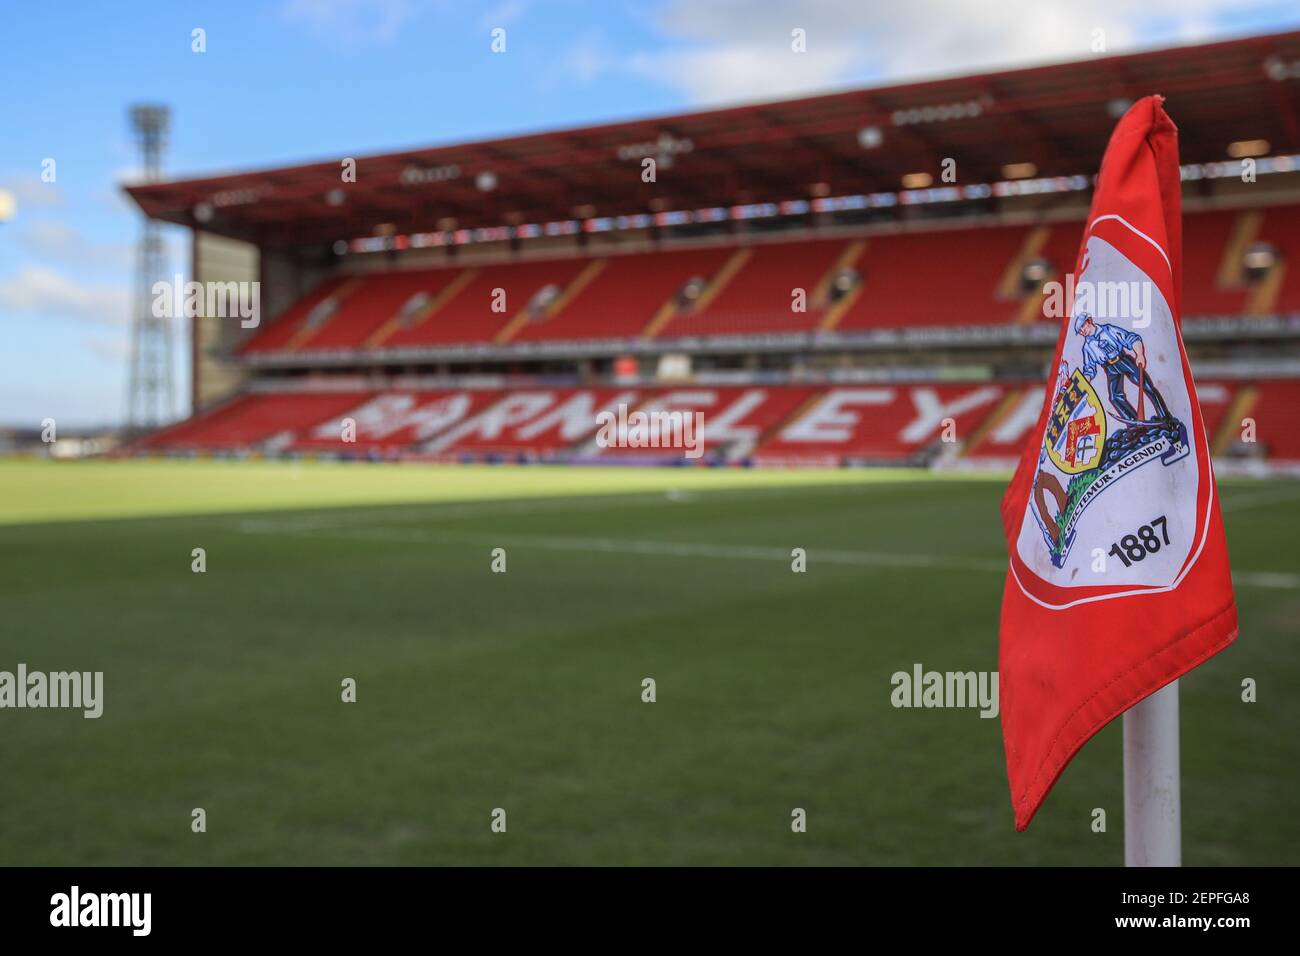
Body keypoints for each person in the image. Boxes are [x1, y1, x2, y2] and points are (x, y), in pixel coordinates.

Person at [1074, 312, 1170, 422]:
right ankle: (1135, 424)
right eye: (1079, 331)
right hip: (1109, 368)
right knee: (1114, 397)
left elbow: (1130, 338)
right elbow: (1089, 368)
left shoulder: (1108, 330)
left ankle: (1165, 417)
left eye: (1082, 326)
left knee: (1146, 384)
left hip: (1123, 360)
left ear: (1089, 321)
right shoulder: (1087, 347)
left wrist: (1139, 354)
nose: (1082, 331)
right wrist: (1084, 384)